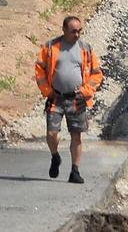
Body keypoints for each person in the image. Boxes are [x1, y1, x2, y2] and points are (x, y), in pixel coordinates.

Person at [35, 15, 103, 184]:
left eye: (79, 31)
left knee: (76, 135)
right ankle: (55, 156)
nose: (77, 35)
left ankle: (75, 171)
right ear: (64, 30)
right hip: (56, 97)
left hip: (77, 99)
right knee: (51, 133)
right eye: (73, 31)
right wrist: (47, 91)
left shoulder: (85, 48)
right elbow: (40, 69)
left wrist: (86, 92)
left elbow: (97, 73)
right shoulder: (51, 47)